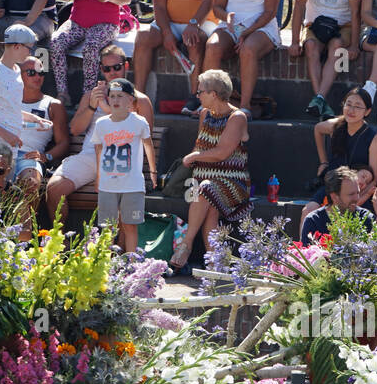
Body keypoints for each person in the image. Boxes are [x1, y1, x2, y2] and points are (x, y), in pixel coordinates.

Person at [46, 45, 155, 223]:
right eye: (106, 68)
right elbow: (74, 130)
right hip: (90, 156)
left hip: (122, 158)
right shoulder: (91, 95)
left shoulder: (140, 100)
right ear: (101, 70)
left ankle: (119, 249)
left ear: (126, 66)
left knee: (122, 197)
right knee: (54, 188)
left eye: (116, 67)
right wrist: (91, 106)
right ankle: (60, 242)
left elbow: (144, 139)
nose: (112, 72)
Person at [171, 69, 251, 267]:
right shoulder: (204, 114)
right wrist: (195, 157)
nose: (197, 96)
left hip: (231, 183)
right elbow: (201, 146)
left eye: (200, 92)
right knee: (209, 202)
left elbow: (222, 152)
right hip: (202, 182)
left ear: (213, 94)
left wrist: (196, 156)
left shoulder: (237, 117)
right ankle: (216, 263)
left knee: (207, 189)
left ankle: (186, 244)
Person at [289, 0, 363, 118]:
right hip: (316, 24)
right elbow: (299, 6)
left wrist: (354, 44)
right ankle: (321, 100)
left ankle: (319, 100)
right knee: (311, 47)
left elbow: (355, 11)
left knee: (337, 47)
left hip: (343, 25)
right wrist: (294, 41)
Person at [0, 25, 55, 176]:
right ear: (17, 46)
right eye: (29, 48)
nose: (31, 52)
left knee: (3, 193)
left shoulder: (16, 71)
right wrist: (7, 135)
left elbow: (11, 109)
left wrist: (36, 119)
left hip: (11, 147)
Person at [298, 86, 377, 232]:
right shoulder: (337, 125)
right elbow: (318, 129)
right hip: (332, 186)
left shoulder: (372, 136)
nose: (351, 110)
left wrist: (358, 199)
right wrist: (323, 161)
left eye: (357, 106)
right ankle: (305, 252)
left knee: (352, 218)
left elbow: (374, 178)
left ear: (367, 111)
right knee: (308, 211)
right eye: (348, 104)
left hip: (357, 191)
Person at [89, 78, 156, 253]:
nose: (116, 100)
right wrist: (98, 176)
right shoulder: (101, 124)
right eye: (112, 96)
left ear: (131, 100)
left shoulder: (139, 122)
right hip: (108, 184)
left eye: (120, 96)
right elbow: (98, 151)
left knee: (130, 224)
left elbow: (148, 145)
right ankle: (106, 263)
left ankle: (132, 262)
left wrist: (153, 170)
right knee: (108, 226)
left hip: (132, 184)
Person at [13, 55, 69, 232]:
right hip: (1, 153)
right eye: (31, 72)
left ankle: (25, 240)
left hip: (29, 157)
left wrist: (47, 156)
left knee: (30, 183)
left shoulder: (52, 104)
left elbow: (64, 143)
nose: (38, 77)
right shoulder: (6, 100)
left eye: (41, 72)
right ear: (19, 74)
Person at [301, 167, 374, 243]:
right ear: (334, 197)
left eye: (358, 193)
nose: (357, 198)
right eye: (351, 194)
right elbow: (307, 252)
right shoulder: (314, 221)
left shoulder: (366, 219)